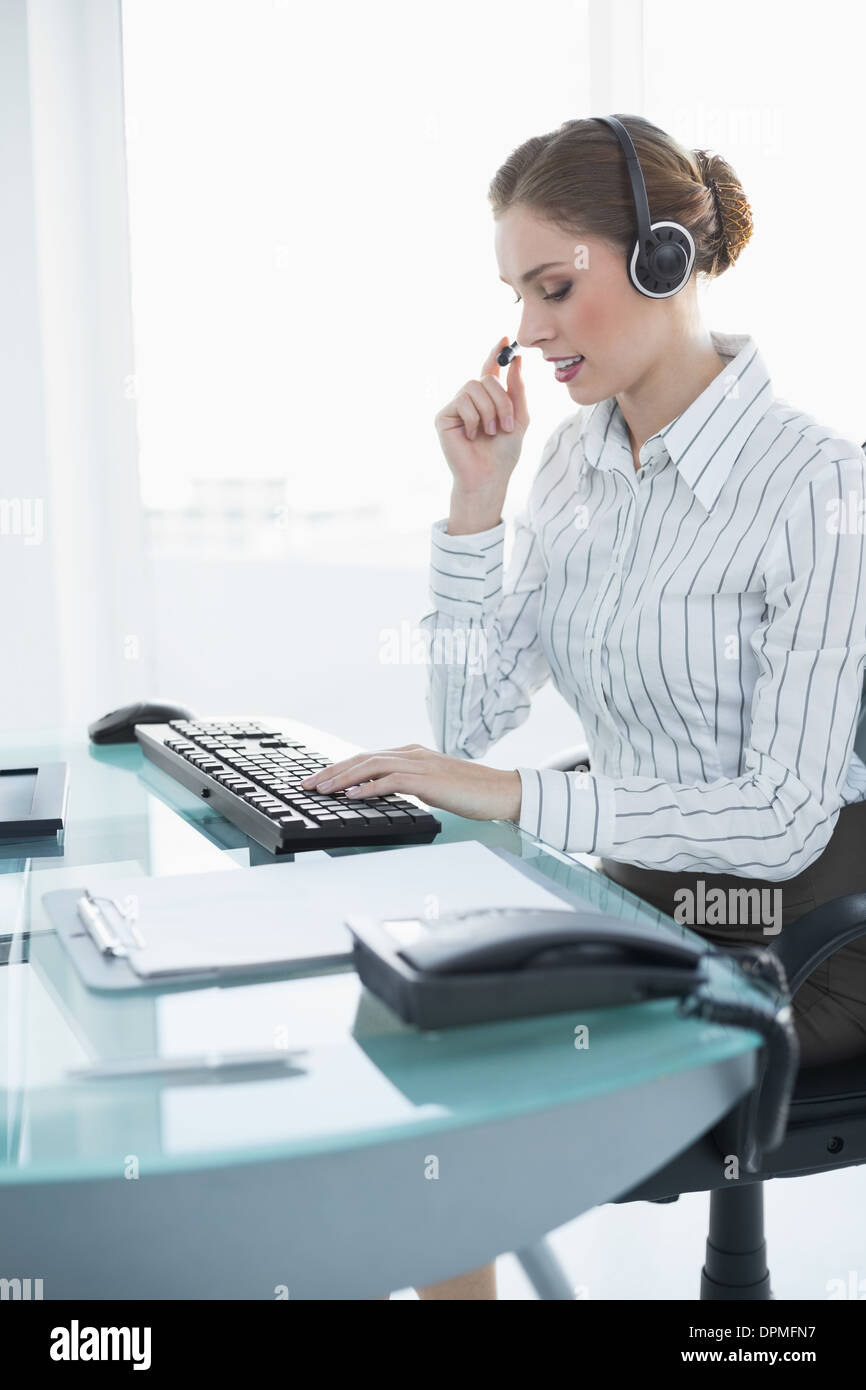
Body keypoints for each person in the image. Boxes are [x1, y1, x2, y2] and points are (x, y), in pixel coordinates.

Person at [300, 114, 866, 1300]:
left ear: (663, 258)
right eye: (515, 295)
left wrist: (517, 801)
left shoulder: (818, 485)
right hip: (634, 891)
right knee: (399, 1006)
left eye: (553, 287)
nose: (527, 332)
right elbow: (469, 725)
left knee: (446, 1061)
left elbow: (779, 818)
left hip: (793, 929)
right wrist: (474, 509)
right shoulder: (570, 466)